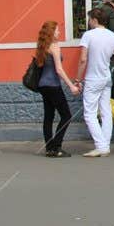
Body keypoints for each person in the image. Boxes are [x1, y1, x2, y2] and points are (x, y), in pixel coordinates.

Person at [29, 20, 77, 157]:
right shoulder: (55, 46)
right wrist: (71, 85)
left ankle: (50, 148)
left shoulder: (42, 46)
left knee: (48, 117)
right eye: (57, 30)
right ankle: (56, 147)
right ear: (51, 32)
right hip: (53, 86)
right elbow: (59, 70)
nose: (59, 32)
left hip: (43, 86)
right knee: (66, 115)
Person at [77, 6, 114, 156]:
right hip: (106, 77)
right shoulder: (113, 36)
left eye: (89, 19)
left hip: (92, 78)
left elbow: (83, 59)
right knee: (105, 111)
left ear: (94, 20)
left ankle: (101, 146)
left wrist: (78, 79)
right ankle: (105, 145)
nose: (88, 22)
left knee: (89, 113)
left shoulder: (88, 36)